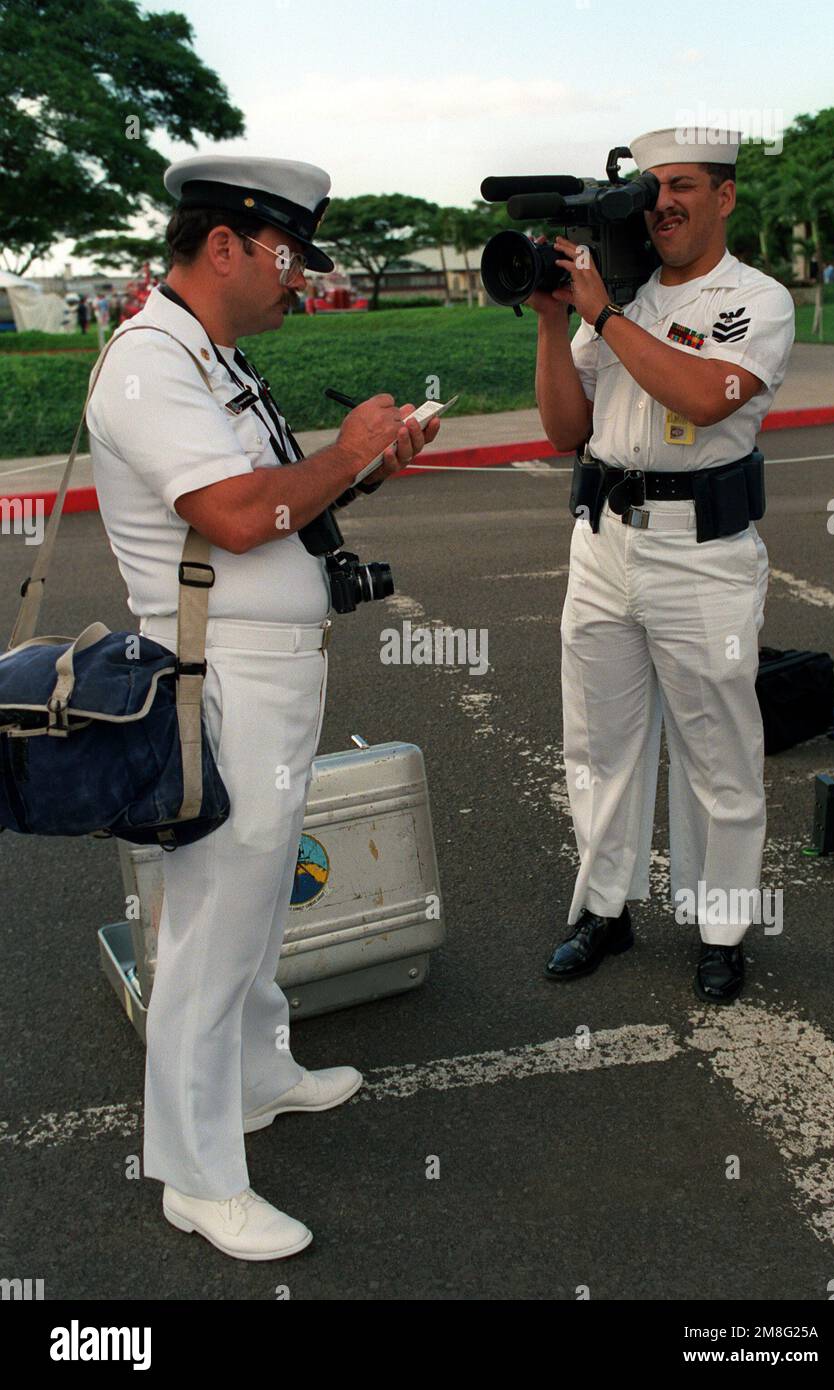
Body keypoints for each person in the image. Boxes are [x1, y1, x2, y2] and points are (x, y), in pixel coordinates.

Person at [86, 155, 440, 1261]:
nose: (301, 282)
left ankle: (254, 1072)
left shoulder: (214, 358)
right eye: (291, 257)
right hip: (218, 673)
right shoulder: (149, 365)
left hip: (274, 666)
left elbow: (285, 503)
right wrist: (343, 449)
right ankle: (194, 1174)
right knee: (207, 927)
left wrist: (364, 463)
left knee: (257, 903)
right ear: (228, 241)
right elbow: (238, 516)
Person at [530, 128, 795, 1003]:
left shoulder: (756, 299)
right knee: (598, 745)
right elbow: (566, 430)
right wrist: (552, 322)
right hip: (603, 540)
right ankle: (603, 908)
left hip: (699, 550)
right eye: (653, 188)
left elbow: (700, 395)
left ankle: (721, 926)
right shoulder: (629, 299)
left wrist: (603, 313)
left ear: (725, 196)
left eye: (684, 185)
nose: (664, 203)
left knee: (716, 746)